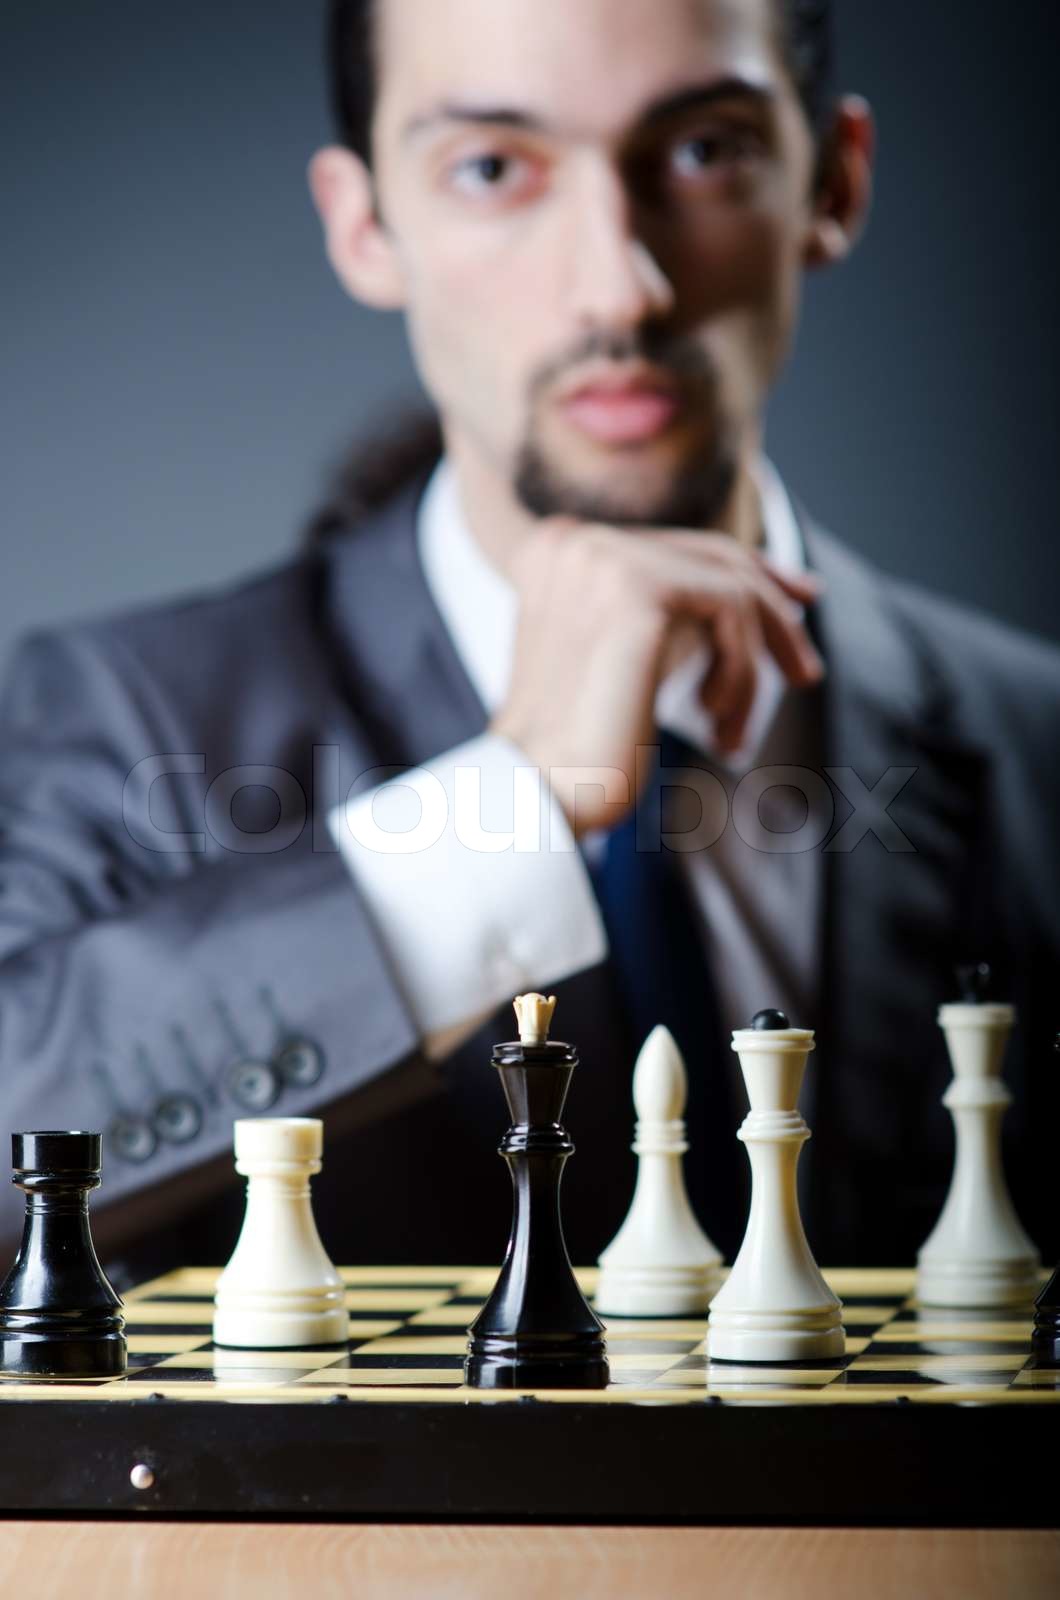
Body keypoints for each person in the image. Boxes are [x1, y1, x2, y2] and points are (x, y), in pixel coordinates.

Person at [1, 0, 1057, 1277]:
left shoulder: (1038, 740)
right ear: (365, 224)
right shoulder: (128, 717)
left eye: (703, 151)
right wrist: (506, 807)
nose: (620, 284)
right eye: (494, 167)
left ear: (832, 182)